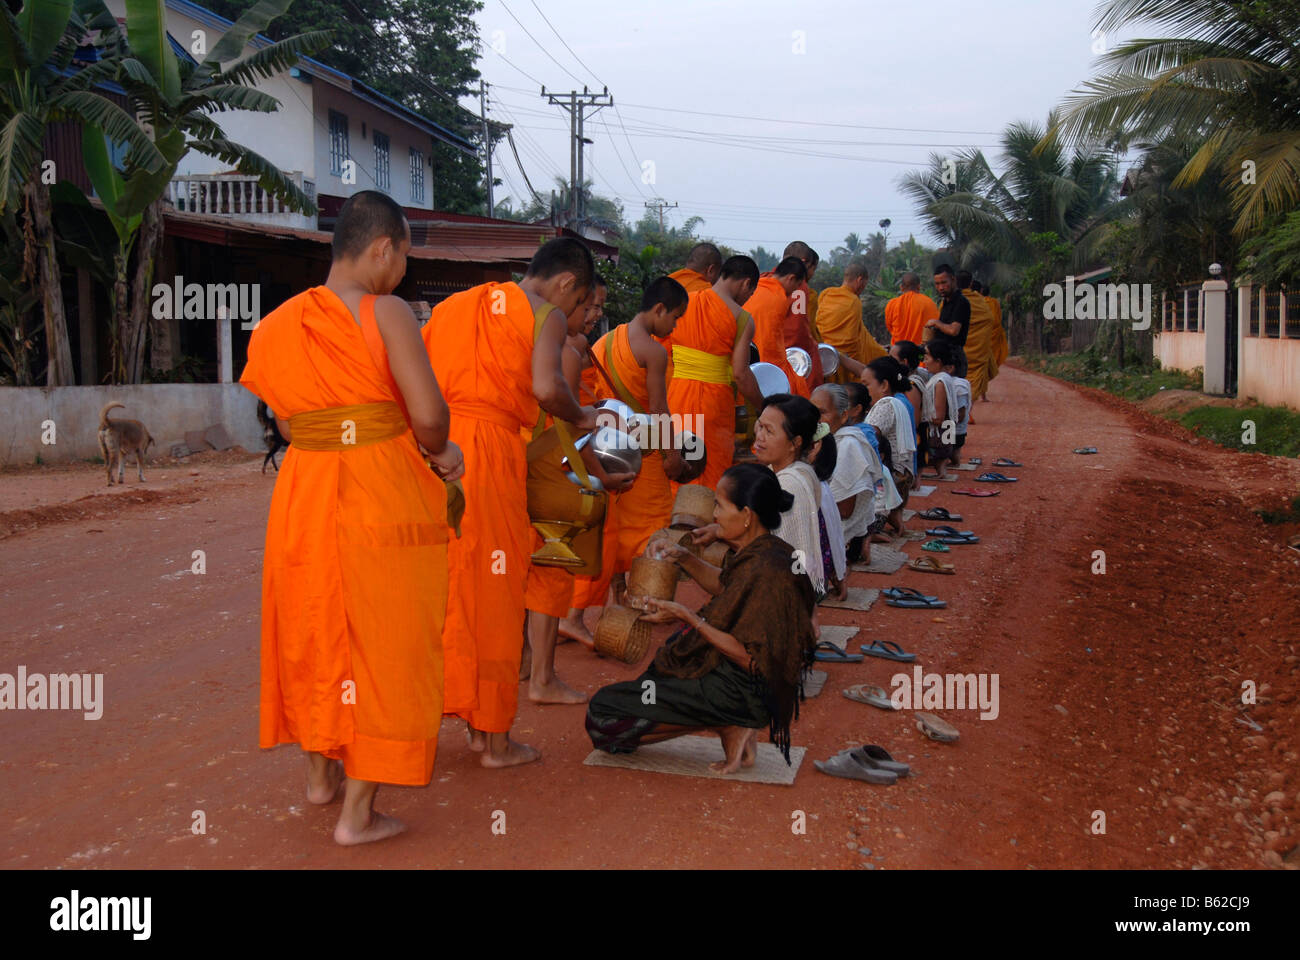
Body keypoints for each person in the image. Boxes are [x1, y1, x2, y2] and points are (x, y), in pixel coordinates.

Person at [241, 190, 464, 845]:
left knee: (313, 627)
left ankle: (319, 779)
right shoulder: (385, 311)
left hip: (305, 491)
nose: (403, 271)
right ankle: (358, 813)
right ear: (382, 249)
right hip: (376, 488)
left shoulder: (280, 322)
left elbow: (287, 422)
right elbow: (428, 416)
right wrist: (443, 451)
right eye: (403, 257)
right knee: (387, 639)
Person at [423, 237, 599, 769]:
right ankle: (493, 740)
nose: (573, 317)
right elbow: (546, 389)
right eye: (579, 303)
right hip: (492, 454)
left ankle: (446, 713)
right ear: (566, 283)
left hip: (440, 451)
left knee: (447, 586)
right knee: (496, 595)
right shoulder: (541, 312)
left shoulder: (454, 306)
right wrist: (583, 416)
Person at [585, 463, 817, 772]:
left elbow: (755, 661)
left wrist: (688, 616)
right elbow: (726, 584)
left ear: (747, 515)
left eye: (719, 506)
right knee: (658, 676)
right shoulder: (767, 550)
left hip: (747, 688)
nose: (714, 515)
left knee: (603, 717)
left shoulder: (766, 571)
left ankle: (731, 723)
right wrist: (685, 557)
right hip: (737, 678)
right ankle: (725, 719)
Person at [524, 282, 636, 705]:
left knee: (520, 570)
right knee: (550, 574)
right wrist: (602, 480)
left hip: (518, 463)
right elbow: (570, 437)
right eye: (589, 305)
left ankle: (524, 665)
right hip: (552, 474)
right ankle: (542, 678)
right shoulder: (565, 356)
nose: (592, 315)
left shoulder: (536, 342)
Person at [564, 277, 691, 643]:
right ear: (659, 310)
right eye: (675, 318)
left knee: (614, 530)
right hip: (643, 453)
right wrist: (672, 455)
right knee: (652, 524)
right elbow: (658, 409)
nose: (675, 327)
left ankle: (616, 600)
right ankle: (645, 601)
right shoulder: (653, 351)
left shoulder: (605, 341)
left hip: (608, 448)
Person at [665, 255, 763, 490]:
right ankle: (705, 520)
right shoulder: (741, 319)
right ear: (746, 284)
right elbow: (740, 374)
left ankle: (676, 520)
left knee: (682, 464)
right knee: (708, 473)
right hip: (713, 405)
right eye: (750, 294)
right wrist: (763, 405)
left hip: (678, 397)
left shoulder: (683, 304)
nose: (747, 300)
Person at [749, 393, 826, 597]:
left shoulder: (788, 484)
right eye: (760, 427)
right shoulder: (795, 471)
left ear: (795, 443)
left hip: (783, 591)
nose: (759, 437)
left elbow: (785, 548)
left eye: (769, 431)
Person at [812, 383, 896, 565]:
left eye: (823, 412)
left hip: (844, 537)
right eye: (813, 412)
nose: (816, 419)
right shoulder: (826, 442)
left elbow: (844, 510)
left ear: (843, 416)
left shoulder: (847, 446)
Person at [863, 356, 916, 536]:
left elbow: (868, 438)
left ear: (884, 385)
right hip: (903, 474)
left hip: (894, 476)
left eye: (867, 384)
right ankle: (894, 520)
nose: (864, 389)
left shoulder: (885, 405)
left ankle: (871, 531)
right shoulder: (896, 402)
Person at [817, 260, 887, 380]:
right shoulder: (854, 301)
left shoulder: (826, 293)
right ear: (859, 280)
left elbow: (860, 331)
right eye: (865, 284)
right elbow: (852, 339)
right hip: (843, 362)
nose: (863, 288)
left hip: (823, 355)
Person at [751, 257, 810, 396]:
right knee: (796, 387)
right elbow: (770, 344)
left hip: (746, 355)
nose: (794, 291)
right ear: (791, 278)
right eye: (797, 285)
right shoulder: (779, 297)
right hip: (763, 360)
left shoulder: (758, 286)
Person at [781, 242, 824, 389]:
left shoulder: (763, 281)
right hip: (791, 355)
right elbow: (797, 331)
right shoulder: (799, 287)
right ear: (804, 263)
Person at [958, 271, 998, 409]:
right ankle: (966, 407)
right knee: (975, 377)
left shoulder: (951, 299)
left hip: (959, 347)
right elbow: (990, 319)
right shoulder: (979, 300)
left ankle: (961, 407)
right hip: (978, 347)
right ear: (970, 283)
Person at [920, 339, 958, 479]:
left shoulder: (940, 382)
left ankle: (940, 466)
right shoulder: (943, 378)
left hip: (941, 434)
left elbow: (938, 417)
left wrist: (920, 418)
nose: (924, 361)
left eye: (927, 357)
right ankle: (941, 468)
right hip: (947, 433)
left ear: (938, 361)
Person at [885, 272, 940, 346]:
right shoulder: (929, 302)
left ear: (901, 287)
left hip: (898, 351)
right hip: (920, 352)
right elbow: (935, 327)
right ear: (919, 286)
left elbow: (890, 328)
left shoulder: (892, 304)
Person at [925, 264, 971, 347]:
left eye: (943, 282)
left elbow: (953, 330)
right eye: (937, 284)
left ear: (953, 279)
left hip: (953, 355)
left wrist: (935, 323)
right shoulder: (946, 302)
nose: (941, 287)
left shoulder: (960, 301)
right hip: (943, 353)